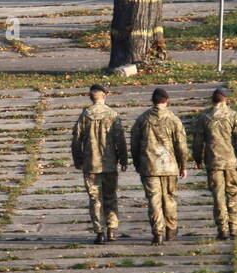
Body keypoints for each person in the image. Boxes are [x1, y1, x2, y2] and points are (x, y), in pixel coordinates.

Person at [129, 87, 189, 245]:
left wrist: (137, 163)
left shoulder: (142, 119)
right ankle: (171, 228)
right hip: (169, 167)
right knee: (169, 198)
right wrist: (183, 165)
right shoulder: (174, 119)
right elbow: (181, 145)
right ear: (167, 101)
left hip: (149, 167)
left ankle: (158, 232)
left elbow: (134, 143)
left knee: (154, 201)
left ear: (153, 101)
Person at [70, 84, 128, 244]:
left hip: (91, 164)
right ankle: (111, 229)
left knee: (95, 199)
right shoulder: (112, 115)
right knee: (111, 197)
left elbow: (76, 140)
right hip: (109, 163)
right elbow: (120, 140)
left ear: (91, 97)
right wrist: (123, 159)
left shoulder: (85, 115)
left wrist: (78, 159)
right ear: (104, 95)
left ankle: (99, 232)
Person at [193, 86, 237, 240]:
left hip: (213, 162)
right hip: (232, 161)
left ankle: (222, 228)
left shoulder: (204, 116)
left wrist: (197, 158)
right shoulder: (233, 115)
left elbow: (198, 140)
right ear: (226, 100)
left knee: (218, 196)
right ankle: (234, 227)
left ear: (212, 100)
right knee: (233, 194)